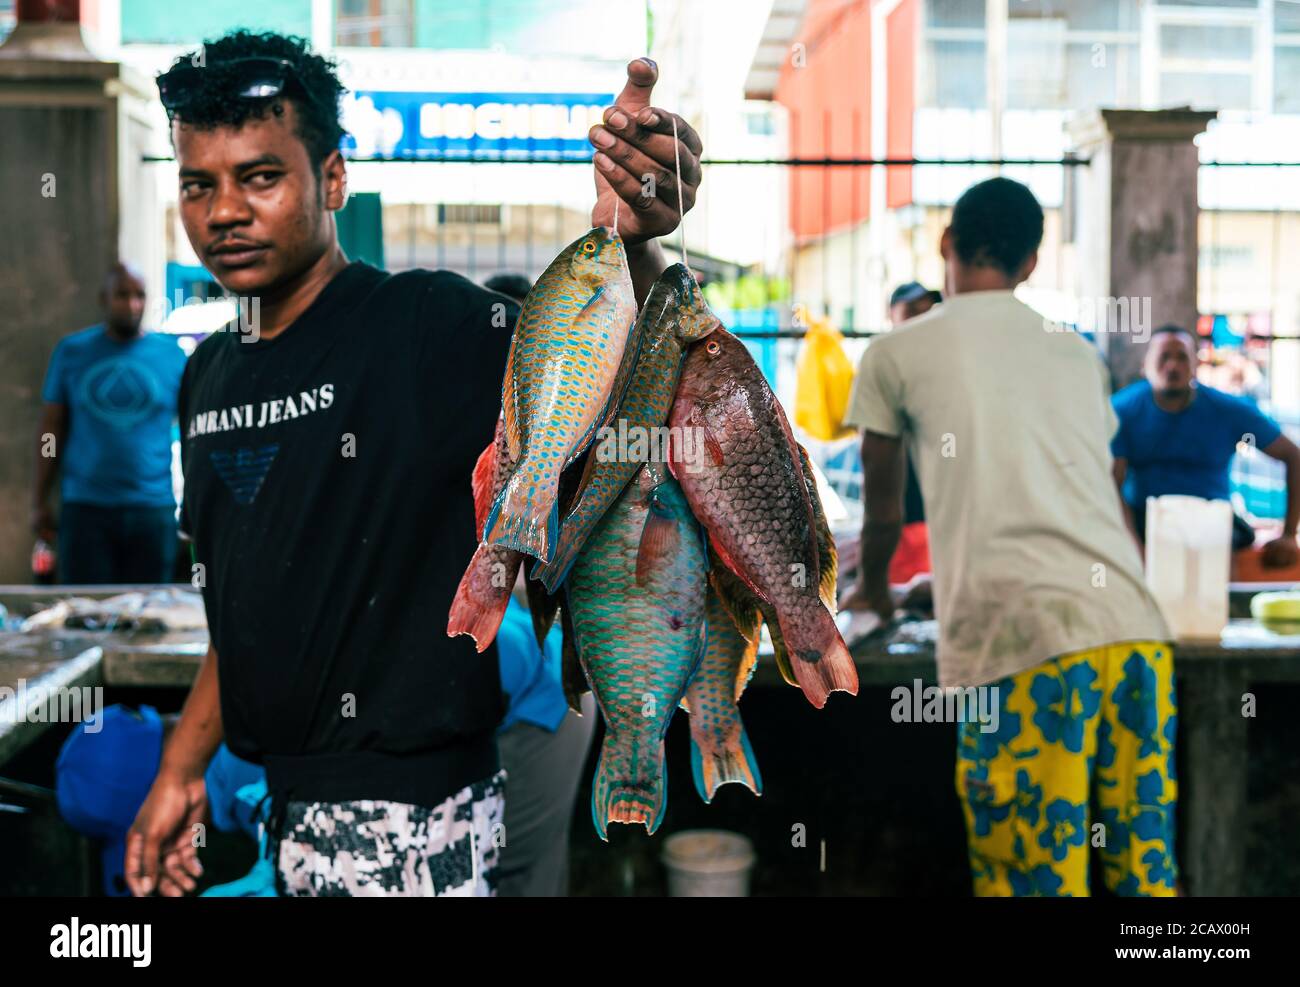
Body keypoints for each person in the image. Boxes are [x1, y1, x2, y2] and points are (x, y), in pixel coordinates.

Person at [125, 31, 701, 897]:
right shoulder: (206, 371)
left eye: (261, 177)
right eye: (199, 184)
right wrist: (180, 766)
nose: (225, 211)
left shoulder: (424, 325)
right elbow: (241, 611)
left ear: (331, 178)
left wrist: (639, 240)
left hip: (417, 823)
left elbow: (617, 391)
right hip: (285, 810)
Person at [841, 177, 1177, 897]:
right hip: (1137, 632)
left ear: (946, 245)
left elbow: (882, 511)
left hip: (1027, 646)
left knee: (1034, 879)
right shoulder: (1076, 354)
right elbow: (1092, 494)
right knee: (1146, 879)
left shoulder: (897, 352)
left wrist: (873, 591)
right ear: (1031, 264)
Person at [32, 264, 187, 584]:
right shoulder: (72, 352)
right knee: (86, 615)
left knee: (148, 616)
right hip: (86, 509)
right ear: (104, 299)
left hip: (152, 510)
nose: (131, 305)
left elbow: (192, 433)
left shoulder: (172, 355)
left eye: (139, 296)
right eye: (122, 295)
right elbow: (51, 431)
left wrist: (195, 502)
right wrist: (39, 499)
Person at [1111, 324, 1300, 565]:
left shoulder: (1229, 411)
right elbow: (1111, 486)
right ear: (1145, 365)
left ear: (1196, 364)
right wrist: (1133, 547)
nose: (1173, 366)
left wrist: (1289, 534)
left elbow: (1293, 455)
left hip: (1213, 525)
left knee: (1220, 559)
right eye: (1164, 357)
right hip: (1144, 522)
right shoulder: (1121, 412)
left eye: (1182, 357)